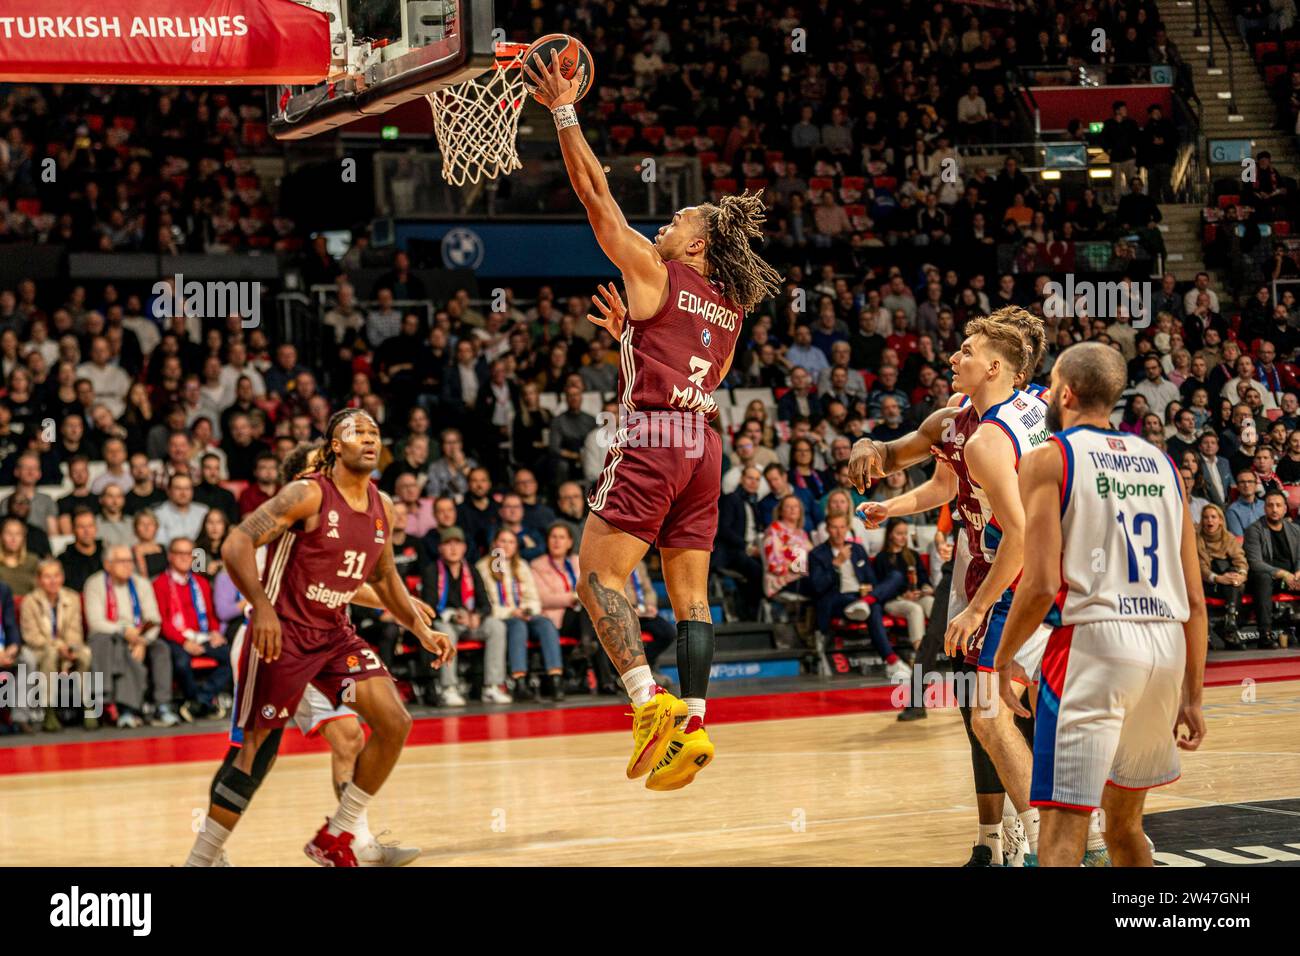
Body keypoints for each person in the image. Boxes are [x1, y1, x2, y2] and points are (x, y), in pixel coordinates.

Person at [526, 50, 782, 790]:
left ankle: (647, 706)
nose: (663, 226)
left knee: (598, 576)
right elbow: (703, 370)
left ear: (695, 245)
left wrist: (564, 112)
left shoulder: (656, 271)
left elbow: (595, 198)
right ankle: (694, 725)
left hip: (657, 437)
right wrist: (633, 341)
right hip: (704, 445)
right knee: (691, 595)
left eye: (674, 221)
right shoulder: (731, 309)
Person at [183, 410, 453, 867]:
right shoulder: (307, 494)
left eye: (374, 432)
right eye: (356, 432)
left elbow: (384, 578)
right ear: (333, 446)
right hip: (281, 636)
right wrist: (263, 608)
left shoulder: (382, 505)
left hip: (333, 634)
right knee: (255, 754)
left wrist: (420, 628)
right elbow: (234, 545)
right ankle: (201, 860)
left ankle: (339, 835)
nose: (368, 439)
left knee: (393, 720)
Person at [851, 308, 1053, 865]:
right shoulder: (1007, 408)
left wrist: (975, 608)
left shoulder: (993, 435)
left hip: (1018, 575)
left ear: (994, 366)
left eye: (965, 349)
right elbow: (938, 477)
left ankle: (1051, 842)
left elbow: (1018, 532)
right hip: (1032, 569)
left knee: (995, 714)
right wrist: (887, 495)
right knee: (1009, 711)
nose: (951, 356)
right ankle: (1026, 837)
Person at [994, 341, 1206, 867]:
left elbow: (1041, 583)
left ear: (1064, 391)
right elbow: (1196, 600)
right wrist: (1194, 696)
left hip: (1094, 647)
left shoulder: (1049, 457)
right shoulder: (1163, 463)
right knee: (1124, 826)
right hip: (1165, 647)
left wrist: (1003, 658)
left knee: (1063, 831)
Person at [809, 512, 909, 681]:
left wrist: (868, 589)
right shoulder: (817, 554)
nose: (839, 532)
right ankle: (891, 661)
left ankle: (866, 602)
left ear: (848, 528)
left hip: (860, 597)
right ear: (827, 529)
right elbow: (818, 588)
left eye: (842, 527)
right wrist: (835, 565)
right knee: (874, 606)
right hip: (837, 599)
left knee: (896, 577)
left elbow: (871, 579)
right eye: (834, 527)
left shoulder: (857, 549)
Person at [83, 545, 176, 728]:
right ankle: (126, 708)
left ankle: (162, 705)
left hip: (140, 635)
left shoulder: (141, 583)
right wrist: (124, 632)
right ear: (108, 565)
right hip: (110, 634)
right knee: (118, 647)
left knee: (162, 649)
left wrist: (143, 641)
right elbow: (95, 622)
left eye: (130, 561)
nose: (128, 566)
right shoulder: (95, 583)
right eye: (121, 561)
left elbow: (154, 619)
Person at [421, 526, 509, 706]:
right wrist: (454, 616)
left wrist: (477, 615)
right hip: (446, 622)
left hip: (470, 622)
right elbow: (428, 608)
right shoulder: (431, 571)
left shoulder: (472, 570)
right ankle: (449, 688)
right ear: (440, 548)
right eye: (448, 544)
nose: (453, 548)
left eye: (457, 543)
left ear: (464, 547)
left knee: (496, 626)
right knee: (445, 632)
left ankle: (492, 686)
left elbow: (486, 604)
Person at [478, 527, 565, 701]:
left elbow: (533, 599)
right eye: (503, 541)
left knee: (546, 623)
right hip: (501, 617)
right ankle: (520, 682)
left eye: (511, 542)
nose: (507, 546)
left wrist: (527, 610)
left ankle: (555, 679)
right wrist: (512, 612)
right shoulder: (483, 567)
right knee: (518, 626)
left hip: (524, 614)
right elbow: (485, 605)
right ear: (495, 544)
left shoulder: (522, 566)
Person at [154, 536, 231, 721]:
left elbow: (212, 615)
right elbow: (162, 621)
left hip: (202, 636)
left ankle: (199, 699)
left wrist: (215, 633)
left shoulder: (201, 583)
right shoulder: (160, 584)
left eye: (188, 553)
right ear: (170, 556)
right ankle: (202, 701)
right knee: (181, 662)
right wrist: (184, 642)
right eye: (179, 553)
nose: (184, 557)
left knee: (234, 656)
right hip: (176, 638)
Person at [18, 559, 93, 732]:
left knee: (85, 654)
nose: (53, 581)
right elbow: (32, 636)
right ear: (38, 580)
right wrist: (59, 647)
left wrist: (70, 651)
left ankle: (88, 706)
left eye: (57, 575)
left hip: (67, 647)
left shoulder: (72, 598)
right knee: (50, 654)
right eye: (47, 577)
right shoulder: (30, 601)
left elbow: (75, 631)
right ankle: (49, 710)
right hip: (40, 649)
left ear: (63, 577)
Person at [1243, 489, 1300, 649]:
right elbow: (1255, 563)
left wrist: (1297, 574)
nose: (1274, 509)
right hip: (1268, 578)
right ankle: (1265, 634)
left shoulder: (1295, 530)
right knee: (1263, 577)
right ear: (1264, 508)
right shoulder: (1254, 530)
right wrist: (1283, 574)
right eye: (1270, 505)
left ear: (1285, 509)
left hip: (1291, 578)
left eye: (1278, 505)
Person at [874, 517, 936, 652]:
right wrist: (903, 595)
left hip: (916, 596)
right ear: (890, 534)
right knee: (914, 609)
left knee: (931, 602)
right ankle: (920, 653)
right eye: (899, 534)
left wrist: (925, 587)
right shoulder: (882, 558)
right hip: (893, 601)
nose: (903, 537)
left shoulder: (913, 554)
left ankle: (940, 644)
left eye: (905, 533)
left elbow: (923, 578)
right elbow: (880, 588)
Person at [1197, 504, 1248, 650]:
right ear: (1202, 521)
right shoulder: (1197, 539)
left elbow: (1240, 559)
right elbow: (1201, 568)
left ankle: (1230, 622)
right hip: (1207, 582)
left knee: (1234, 577)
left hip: (1229, 582)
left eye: (1213, 517)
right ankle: (1230, 625)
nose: (1209, 521)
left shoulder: (1228, 538)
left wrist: (1241, 575)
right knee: (1231, 580)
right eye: (1206, 517)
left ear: (1220, 520)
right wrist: (1218, 578)